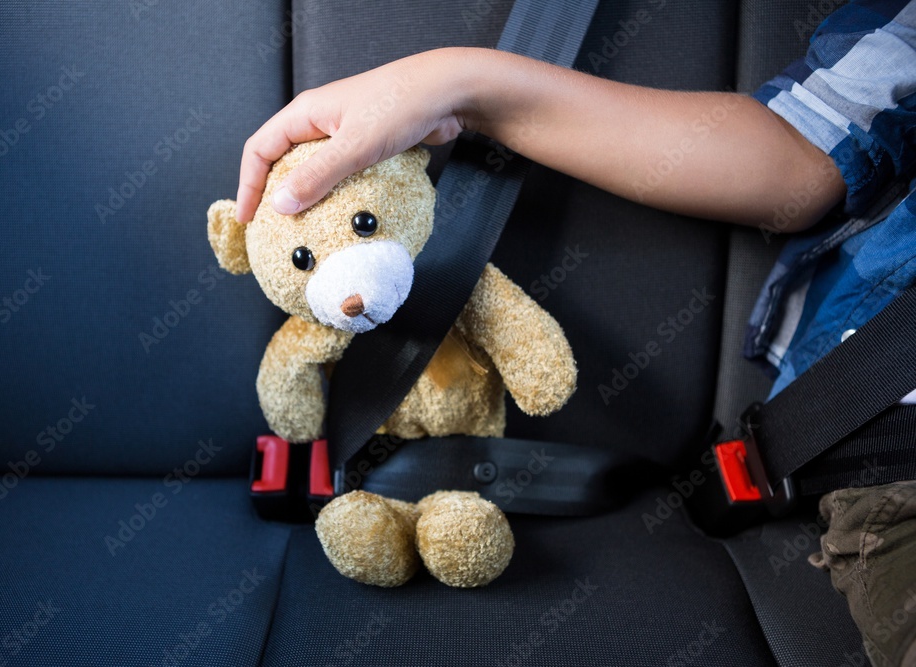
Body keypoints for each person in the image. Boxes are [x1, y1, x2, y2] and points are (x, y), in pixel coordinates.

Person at [235, 1, 916, 664]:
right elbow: (802, 160)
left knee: (462, 523)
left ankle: (454, 523)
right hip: (899, 438)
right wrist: (456, 83)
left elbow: (530, 351)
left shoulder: (475, 296)